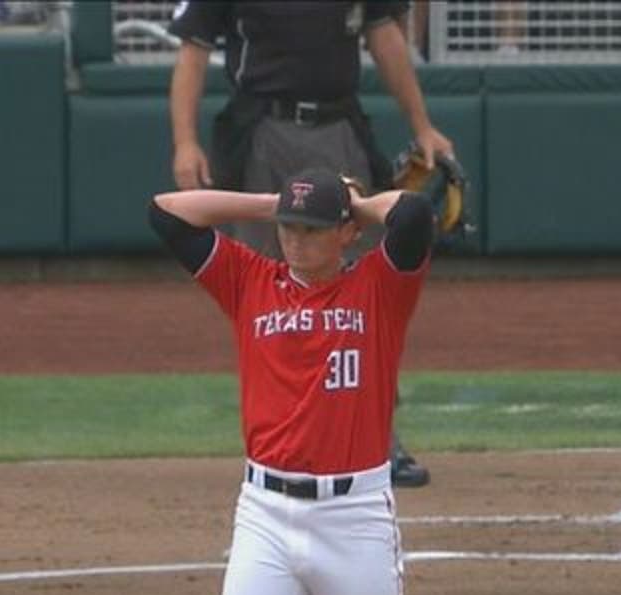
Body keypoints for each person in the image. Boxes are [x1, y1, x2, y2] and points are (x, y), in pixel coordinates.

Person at [146, 168, 434, 595]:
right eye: (288, 227)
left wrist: (353, 205)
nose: (296, 241)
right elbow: (166, 213)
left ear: (347, 232)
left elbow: (414, 215)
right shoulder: (248, 281)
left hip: (356, 518)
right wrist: (271, 203)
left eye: (313, 228)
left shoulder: (380, 289)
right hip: (265, 516)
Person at [168, 1, 450, 489]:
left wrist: (422, 125)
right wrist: (184, 141)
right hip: (263, 129)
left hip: (339, 128)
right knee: (269, 297)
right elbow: (193, 53)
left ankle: (378, 439)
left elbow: (385, 38)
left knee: (363, 300)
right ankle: (281, 441)